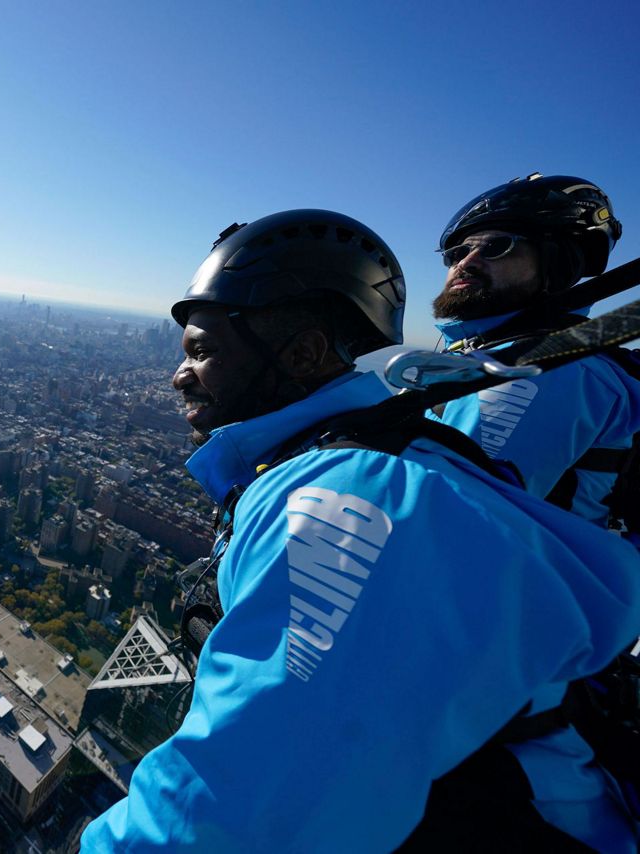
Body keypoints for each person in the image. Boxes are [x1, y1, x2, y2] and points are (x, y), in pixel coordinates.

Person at [79, 209, 640, 852]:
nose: (178, 375)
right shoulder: (361, 456)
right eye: (456, 248)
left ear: (305, 353)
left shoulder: (347, 497)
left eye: (202, 351)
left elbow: (234, 811)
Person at [429, 173, 640, 527]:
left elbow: (446, 522)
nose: (466, 261)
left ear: (556, 266)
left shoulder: (542, 370)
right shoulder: (493, 354)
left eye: (496, 246)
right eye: (458, 251)